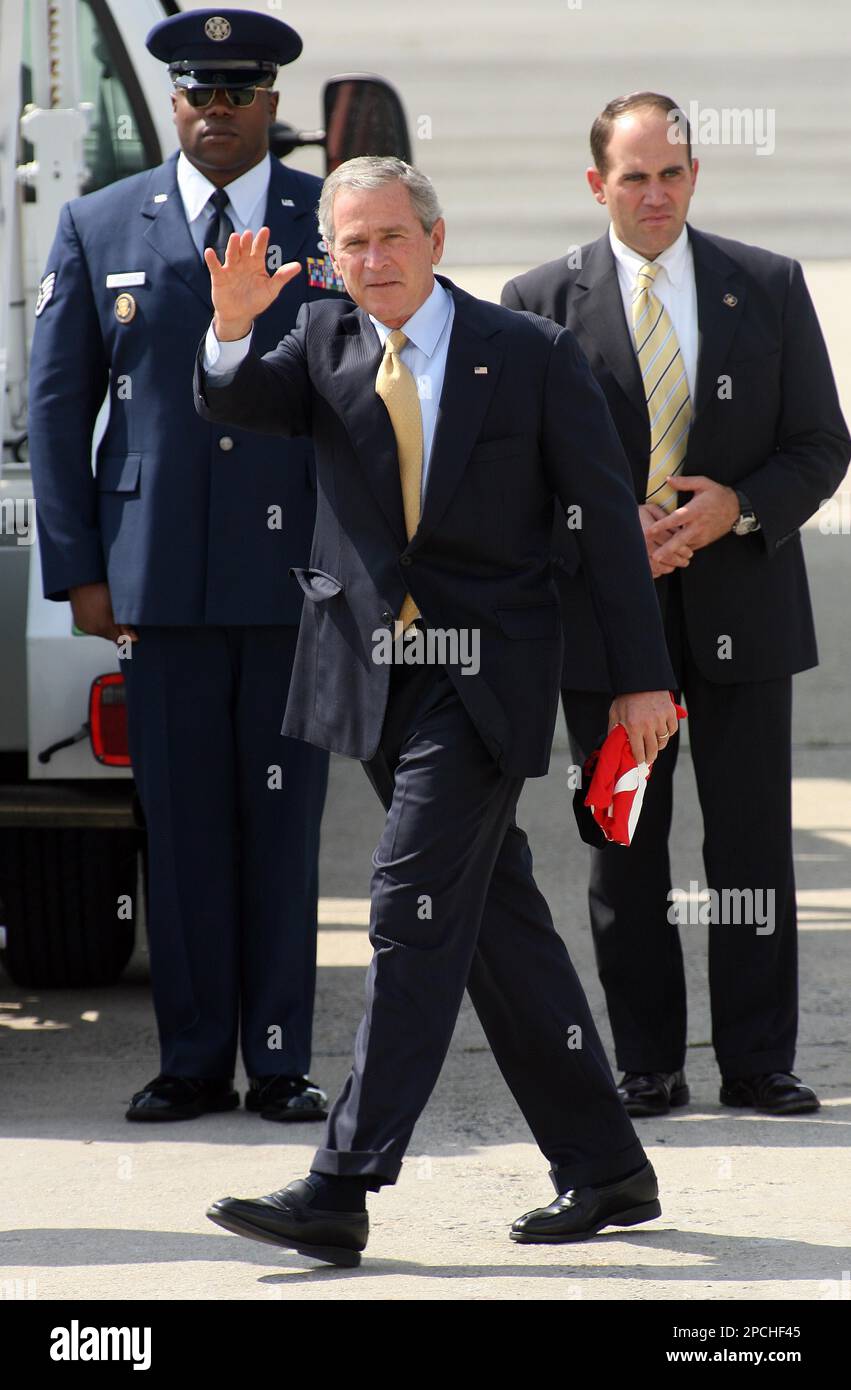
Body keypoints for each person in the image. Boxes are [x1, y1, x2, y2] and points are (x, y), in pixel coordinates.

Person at [194, 155, 681, 1266]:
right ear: (332, 256)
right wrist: (226, 328)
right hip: (373, 675)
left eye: (390, 238)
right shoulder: (318, 341)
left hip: (488, 678)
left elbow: (606, 527)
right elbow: (233, 396)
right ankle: (607, 1169)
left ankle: (343, 1182)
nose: (373, 262)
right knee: (493, 929)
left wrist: (640, 681)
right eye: (351, 244)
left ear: (436, 237)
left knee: (407, 908)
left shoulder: (529, 355)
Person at [501, 92, 850, 1119]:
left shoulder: (765, 285)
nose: (654, 194)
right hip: (610, 628)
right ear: (594, 182)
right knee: (623, 846)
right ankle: (646, 1063)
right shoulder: (536, 301)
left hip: (746, 607)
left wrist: (736, 509)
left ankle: (757, 1063)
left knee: (748, 849)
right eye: (632, 176)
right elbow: (516, 472)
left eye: (671, 173)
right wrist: (609, 537)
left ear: (693, 175)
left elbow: (820, 444)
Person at [27, 9, 344, 1123]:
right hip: (155, 579)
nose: (215, 113)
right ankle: (194, 1059)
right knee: (183, 825)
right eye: (197, 94)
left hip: (293, 581)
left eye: (237, 93)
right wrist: (80, 570)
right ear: (172, 102)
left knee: (281, 827)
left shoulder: (328, 221)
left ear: (271, 104)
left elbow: (370, 401)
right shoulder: (102, 220)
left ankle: (281, 1060)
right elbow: (58, 410)